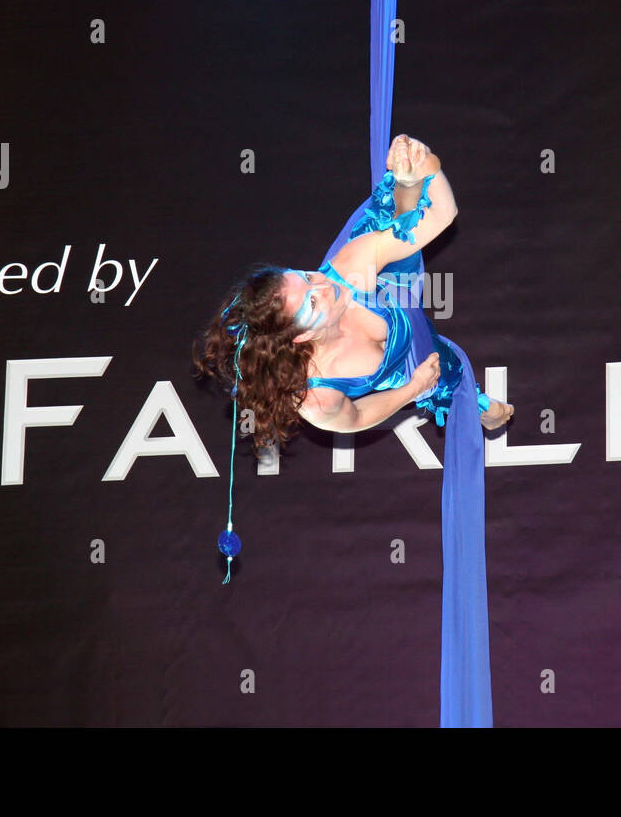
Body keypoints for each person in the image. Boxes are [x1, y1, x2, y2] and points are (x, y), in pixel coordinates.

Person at [193, 134, 505, 726]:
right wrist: (411, 392)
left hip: (391, 295)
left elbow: (445, 215)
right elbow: (360, 418)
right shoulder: (318, 395)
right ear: (301, 340)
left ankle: (399, 181)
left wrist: (429, 162)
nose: (320, 284)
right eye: (308, 298)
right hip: (415, 367)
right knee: (460, 387)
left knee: (401, 204)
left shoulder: (348, 269)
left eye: (300, 275)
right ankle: (476, 401)